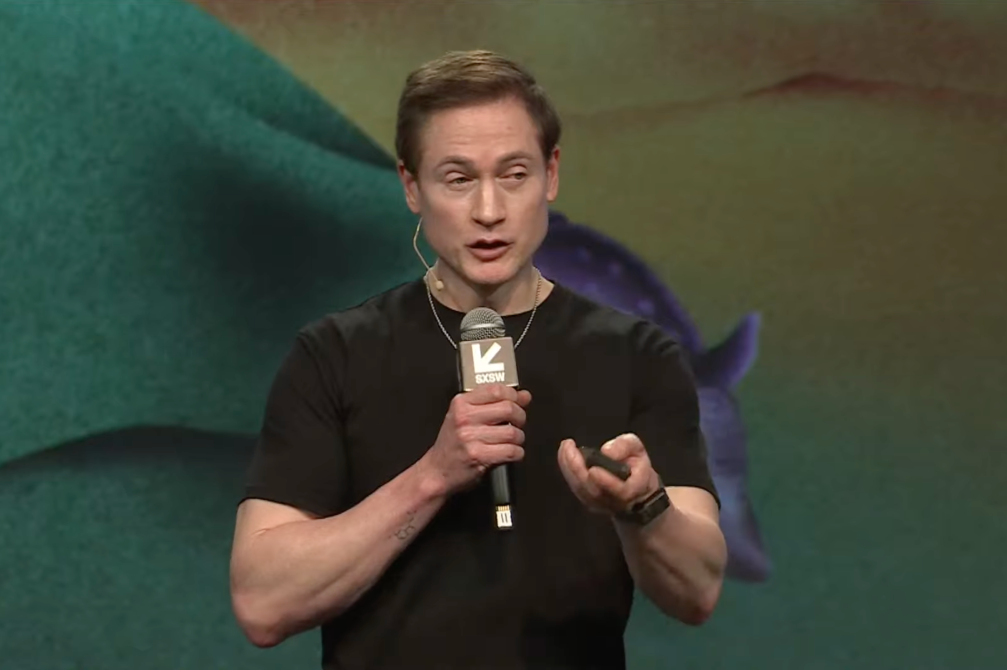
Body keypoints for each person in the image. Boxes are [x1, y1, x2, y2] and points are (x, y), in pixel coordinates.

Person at [228, 49, 728, 669]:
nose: (489, 211)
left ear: (550, 175)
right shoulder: (333, 355)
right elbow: (263, 603)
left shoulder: (638, 356)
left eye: (513, 175)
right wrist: (432, 477)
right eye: (458, 179)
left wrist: (642, 506)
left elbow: (698, 591)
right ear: (412, 186)